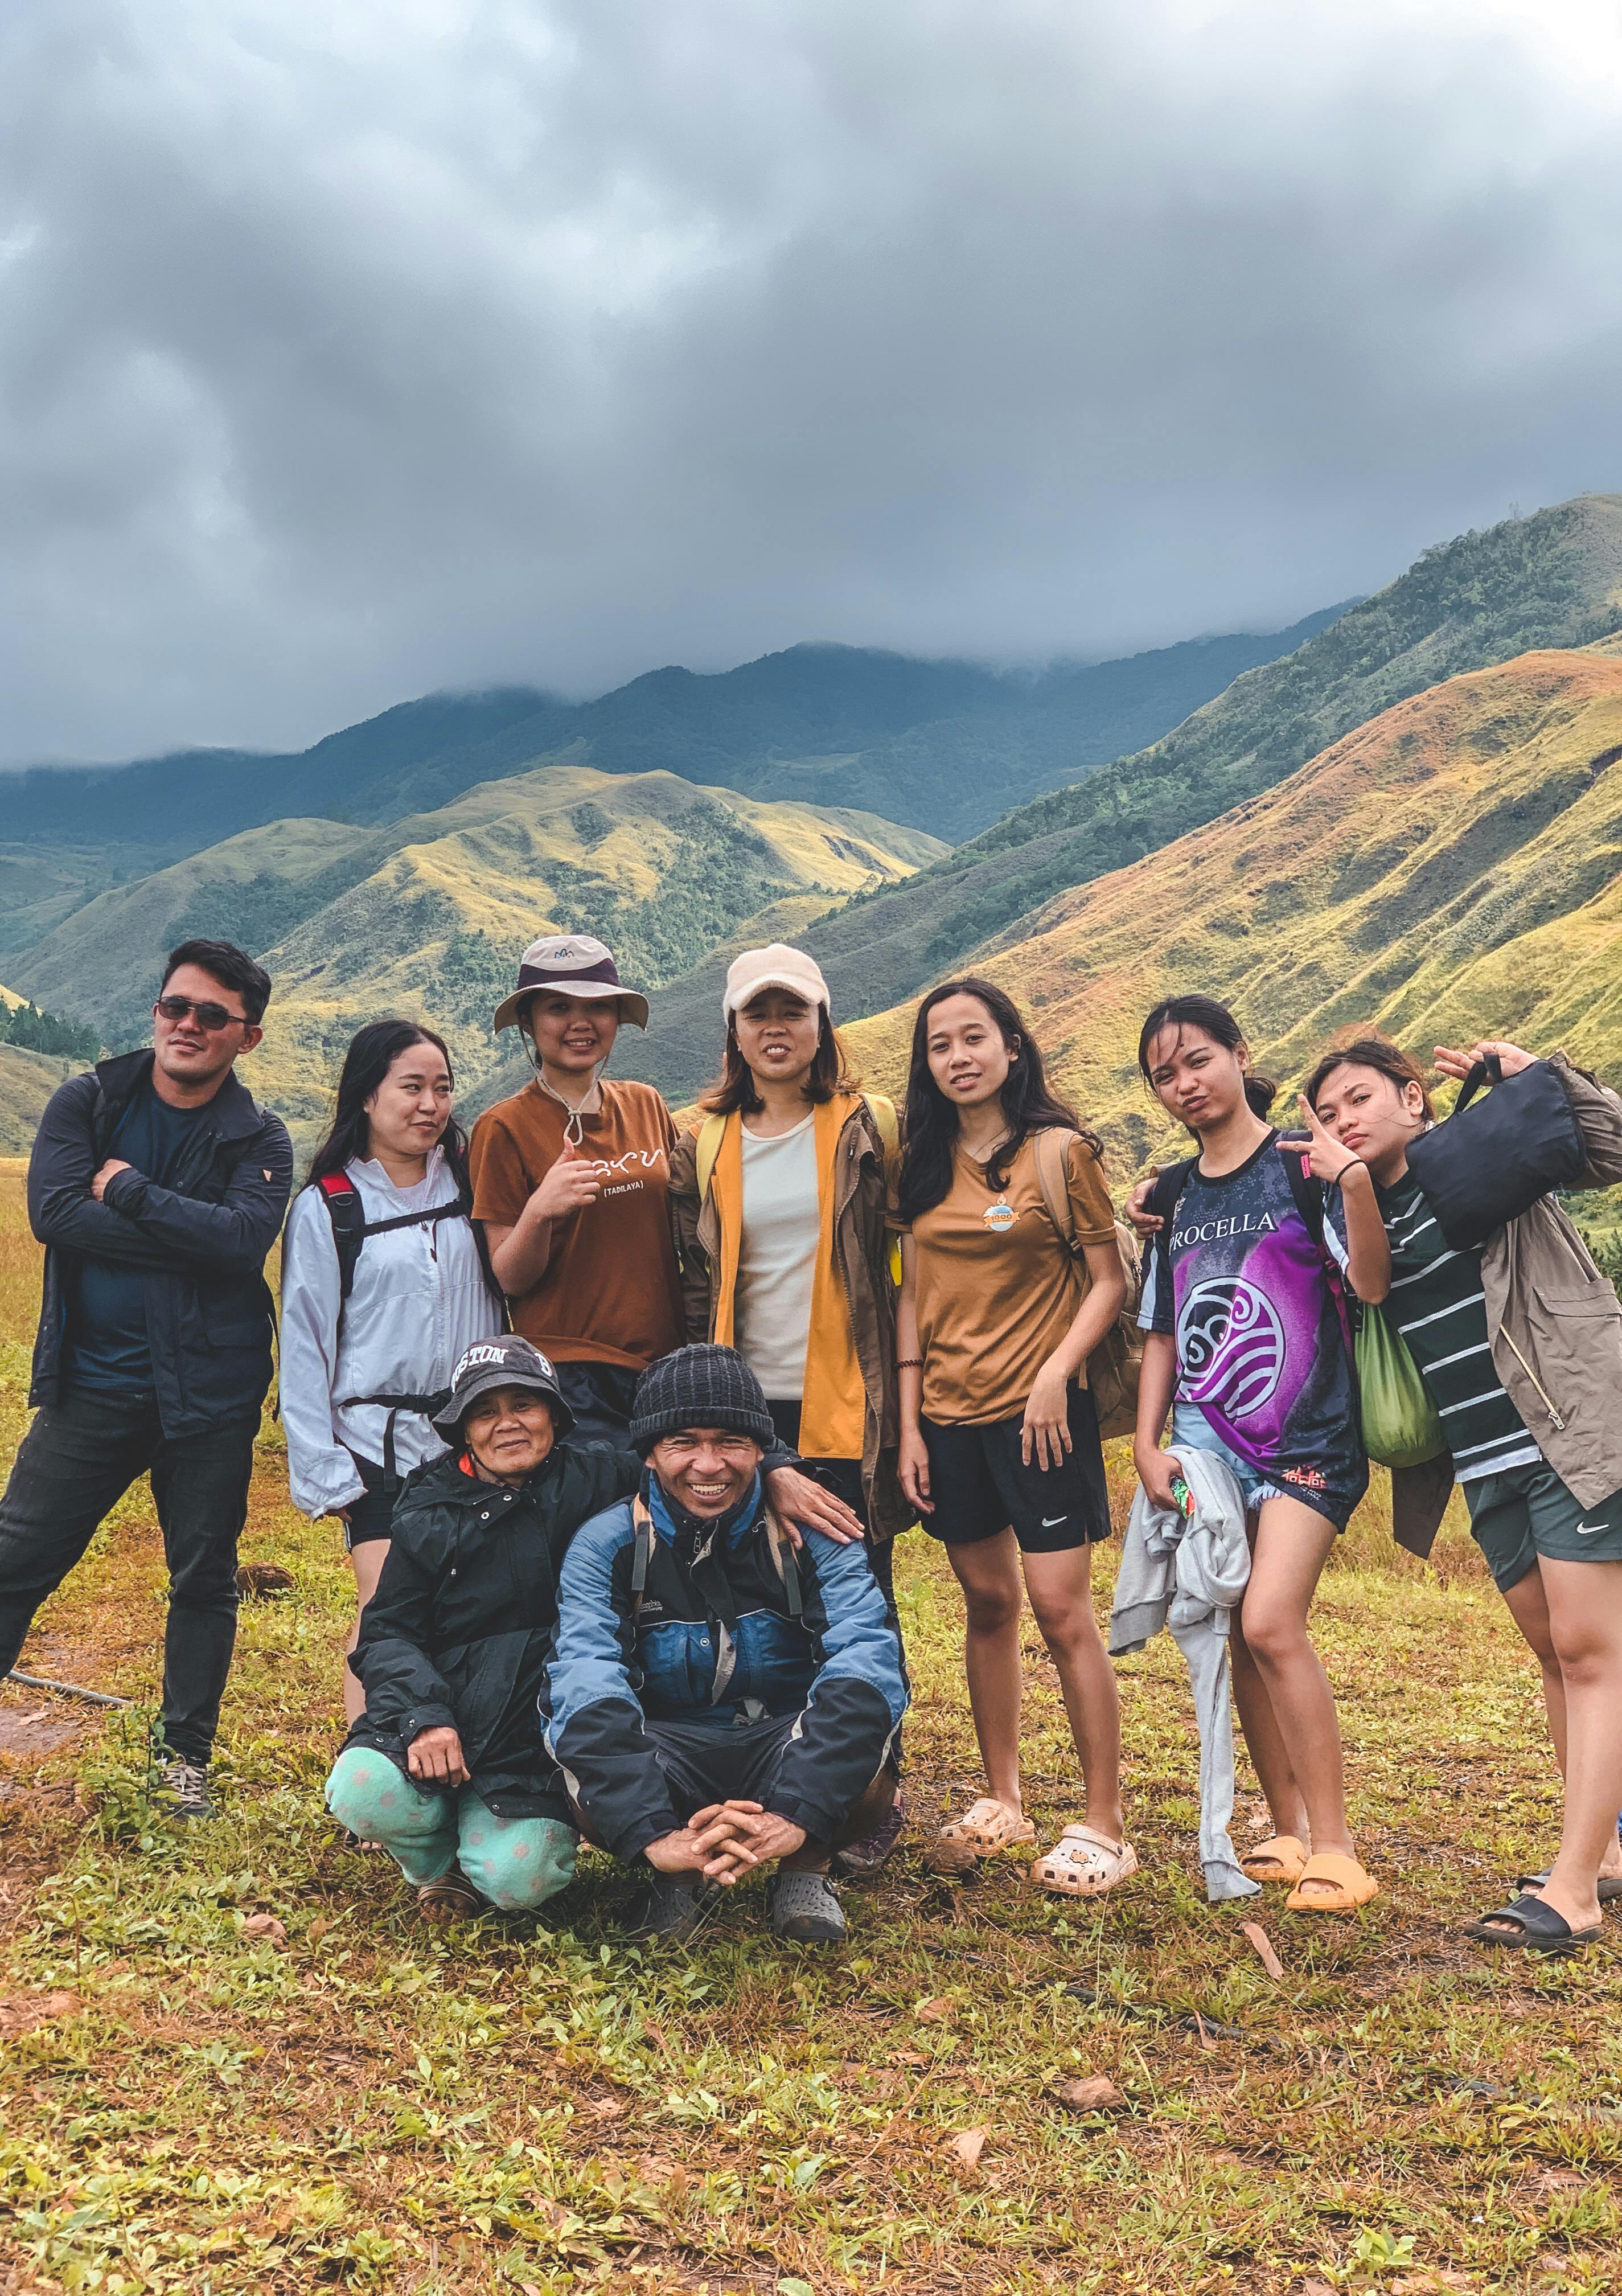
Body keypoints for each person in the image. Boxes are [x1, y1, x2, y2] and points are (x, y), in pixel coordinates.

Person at [1307, 1034, 1622, 1954]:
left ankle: (1572, 1891)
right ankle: (1598, 1849)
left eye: (1359, 1099)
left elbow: (1605, 1148)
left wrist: (1539, 1077)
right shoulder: (1363, 1204)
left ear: (1414, 1100)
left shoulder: (1490, 1163)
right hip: (1481, 1455)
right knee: (1550, 1652)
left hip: (1569, 1424)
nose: (1343, 1121)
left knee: (1588, 1649)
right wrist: (1353, 1186)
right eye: (1327, 1115)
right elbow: (1370, 1286)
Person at [0, 940, 293, 1819]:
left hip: (209, 1396)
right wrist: (187, 1231)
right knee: (15, 1561)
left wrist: (124, 1191)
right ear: (156, 1011)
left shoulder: (260, 1135)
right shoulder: (89, 1099)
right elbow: (54, 1214)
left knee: (203, 1577)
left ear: (248, 1036)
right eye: (176, 1006)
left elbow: (242, 1243)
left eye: (212, 1015)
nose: (188, 1026)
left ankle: (184, 1764)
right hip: (90, 1388)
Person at [1130, 994, 1390, 1915]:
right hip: (1206, 1446)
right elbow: (1160, 1328)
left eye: (1196, 1059)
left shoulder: (1300, 1166)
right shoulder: (1170, 1193)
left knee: (1271, 1620)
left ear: (1239, 1053)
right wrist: (1144, 1439)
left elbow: (1364, 1282)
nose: (1183, 1083)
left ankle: (1335, 1847)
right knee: (1238, 1626)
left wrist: (1351, 1183)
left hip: (1308, 1440)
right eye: (1162, 1073)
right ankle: (1282, 1831)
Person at [668, 942, 911, 1875]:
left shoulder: (870, 1125)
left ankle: (872, 1791)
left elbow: (914, 1257)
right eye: (756, 1014)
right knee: (755, 1599)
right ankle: (766, 1784)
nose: (775, 1029)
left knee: (861, 1601)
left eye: (792, 1012)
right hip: (740, 1409)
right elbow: (695, 1283)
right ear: (733, 1030)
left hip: (848, 1402)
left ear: (821, 1024)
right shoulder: (704, 1138)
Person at [893, 976, 1135, 1896]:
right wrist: (910, 1422)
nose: (955, 1058)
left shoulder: (1059, 1154)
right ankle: (1002, 1796)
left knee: (1061, 1608)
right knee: (986, 1603)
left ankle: (1104, 1822)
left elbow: (1106, 1281)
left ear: (1010, 1048)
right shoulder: (919, 1162)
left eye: (971, 1038)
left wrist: (1052, 1374)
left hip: (1040, 1418)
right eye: (938, 1044)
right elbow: (911, 1294)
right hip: (949, 1416)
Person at [543, 1345, 908, 1944]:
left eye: (730, 1441)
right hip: (668, 1751)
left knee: (867, 1762)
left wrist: (798, 1812)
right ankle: (676, 1875)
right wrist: (651, 1831)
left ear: (762, 1451)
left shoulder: (816, 1531)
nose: (708, 1465)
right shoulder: (604, 1544)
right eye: (682, 1442)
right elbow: (584, 1680)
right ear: (650, 1453)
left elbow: (866, 1661)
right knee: (585, 1776)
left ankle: (805, 1867)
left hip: (781, 1742)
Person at [326, 1336, 640, 1922]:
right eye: (485, 1412)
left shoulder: (599, 1477)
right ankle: (439, 1863)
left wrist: (775, 1468)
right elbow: (388, 1631)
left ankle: (486, 1852)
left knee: (522, 1880)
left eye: (524, 1404)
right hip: (441, 1718)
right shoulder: (427, 1506)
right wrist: (424, 1719)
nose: (507, 1425)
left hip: (532, 1741)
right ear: (463, 1430)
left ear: (553, 1414)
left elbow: (693, 1453)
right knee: (360, 1789)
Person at [280, 1020, 504, 1723]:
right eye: (410, 1087)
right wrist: (321, 1466)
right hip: (376, 1440)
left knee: (472, 1600)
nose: (429, 1105)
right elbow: (305, 1342)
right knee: (387, 1607)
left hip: (472, 1437)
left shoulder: (473, 1186)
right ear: (367, 1098)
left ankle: (460, 1751)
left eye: (441, 1088)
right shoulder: (330, 1206)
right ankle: (370, 1769)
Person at [467, 933, 684, 1445]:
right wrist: (540, 1211)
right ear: (529, 1021)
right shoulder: (504, 1126)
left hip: (665, 1362)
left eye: (598, 1007)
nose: (580, 1023)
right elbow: (511, 1278)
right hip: (571, 1375)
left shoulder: (645, 1104)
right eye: (558, 1007)